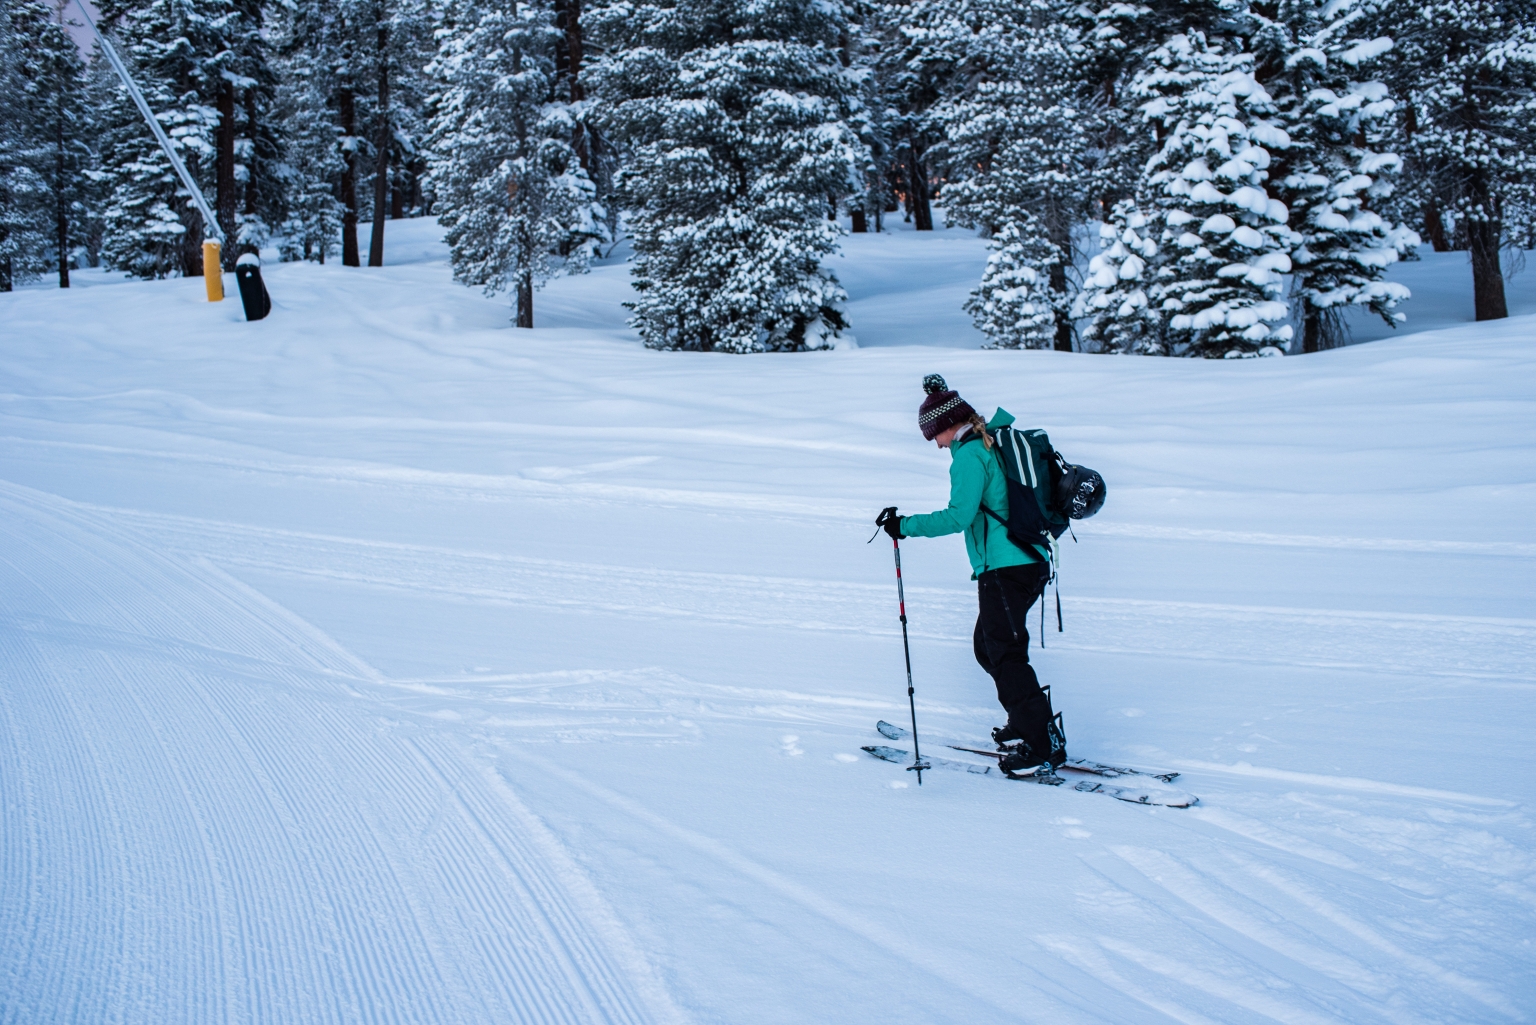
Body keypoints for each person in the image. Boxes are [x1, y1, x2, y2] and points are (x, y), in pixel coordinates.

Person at [882, 374, 1065, 773]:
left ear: (948, 426)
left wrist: (905, 525)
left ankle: (1042, 744)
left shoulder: (970, 455)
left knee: (1004, 652)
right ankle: (1027, 720)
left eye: (935, 435)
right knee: (989, 646)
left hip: (1006, 566)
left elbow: (958, 516)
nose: (936, 444)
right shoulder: (989, 442)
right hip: (1024, 561)